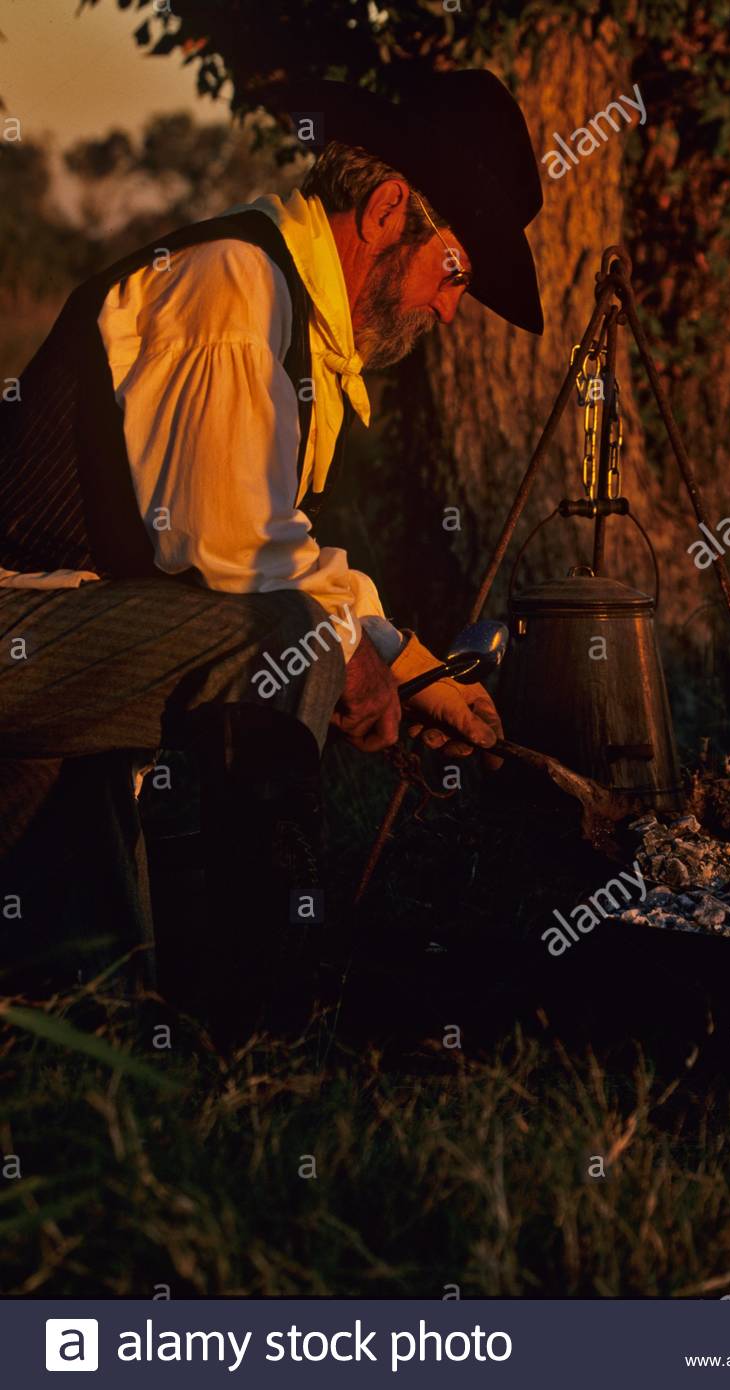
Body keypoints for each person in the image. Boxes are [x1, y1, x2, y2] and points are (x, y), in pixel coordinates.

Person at [0, 69, 544, 1015]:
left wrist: (406, 666)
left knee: (81, 1002)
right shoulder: (233, 290)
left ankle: (177, 1041)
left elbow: (248, 543)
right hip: (25, 620)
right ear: (384, 213)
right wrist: (352, 658)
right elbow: (238, 557)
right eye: (453, 270)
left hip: (65, 640)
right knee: (270, 641)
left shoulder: (284, 307)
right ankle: (269, 1016)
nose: (451, 308)